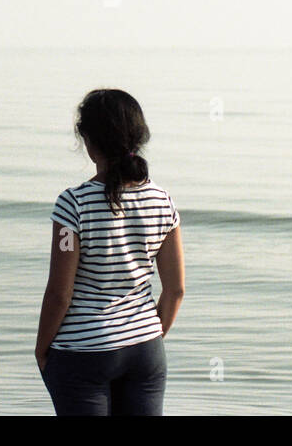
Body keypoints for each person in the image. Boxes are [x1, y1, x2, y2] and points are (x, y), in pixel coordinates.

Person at [34, 88, 185, 415]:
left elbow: (60, 293)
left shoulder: (72, 204)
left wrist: (41, 348)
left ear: (88, 141)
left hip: (82, 352)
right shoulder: (163, 201)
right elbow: (175, 291)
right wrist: (147, 334)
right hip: (145, 349)